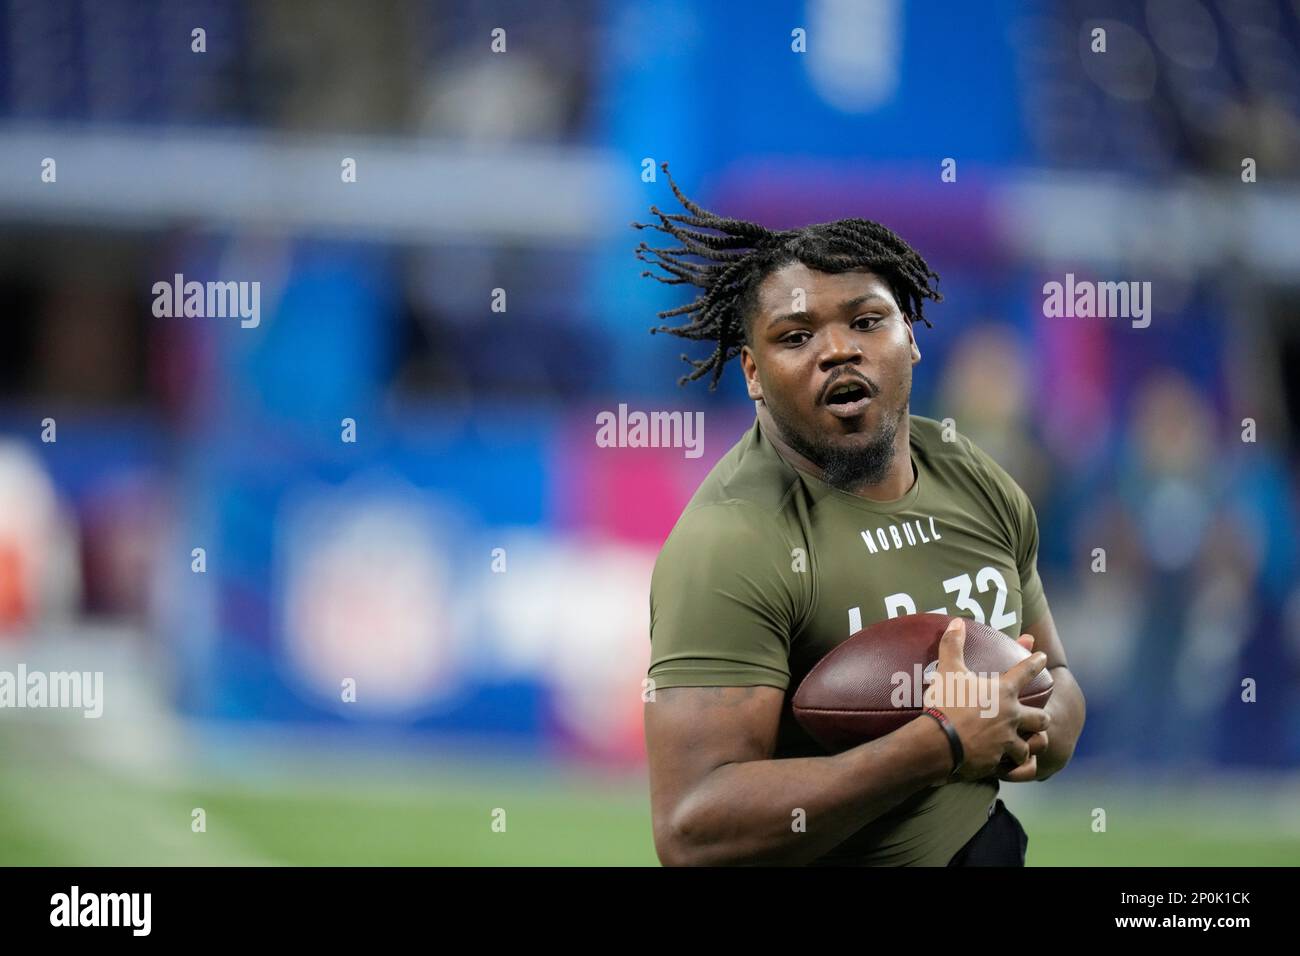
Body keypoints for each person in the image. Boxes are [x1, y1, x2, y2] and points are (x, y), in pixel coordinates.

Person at [637, 166, 1086, 866]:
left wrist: (1037, 724)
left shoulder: (976, 479)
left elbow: (1053, 675)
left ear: (911, 337)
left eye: (867, 320)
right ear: (751, 373)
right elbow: (692, 829)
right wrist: (939, 744)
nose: (838, 348)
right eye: (794, 336)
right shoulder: (730, 541)